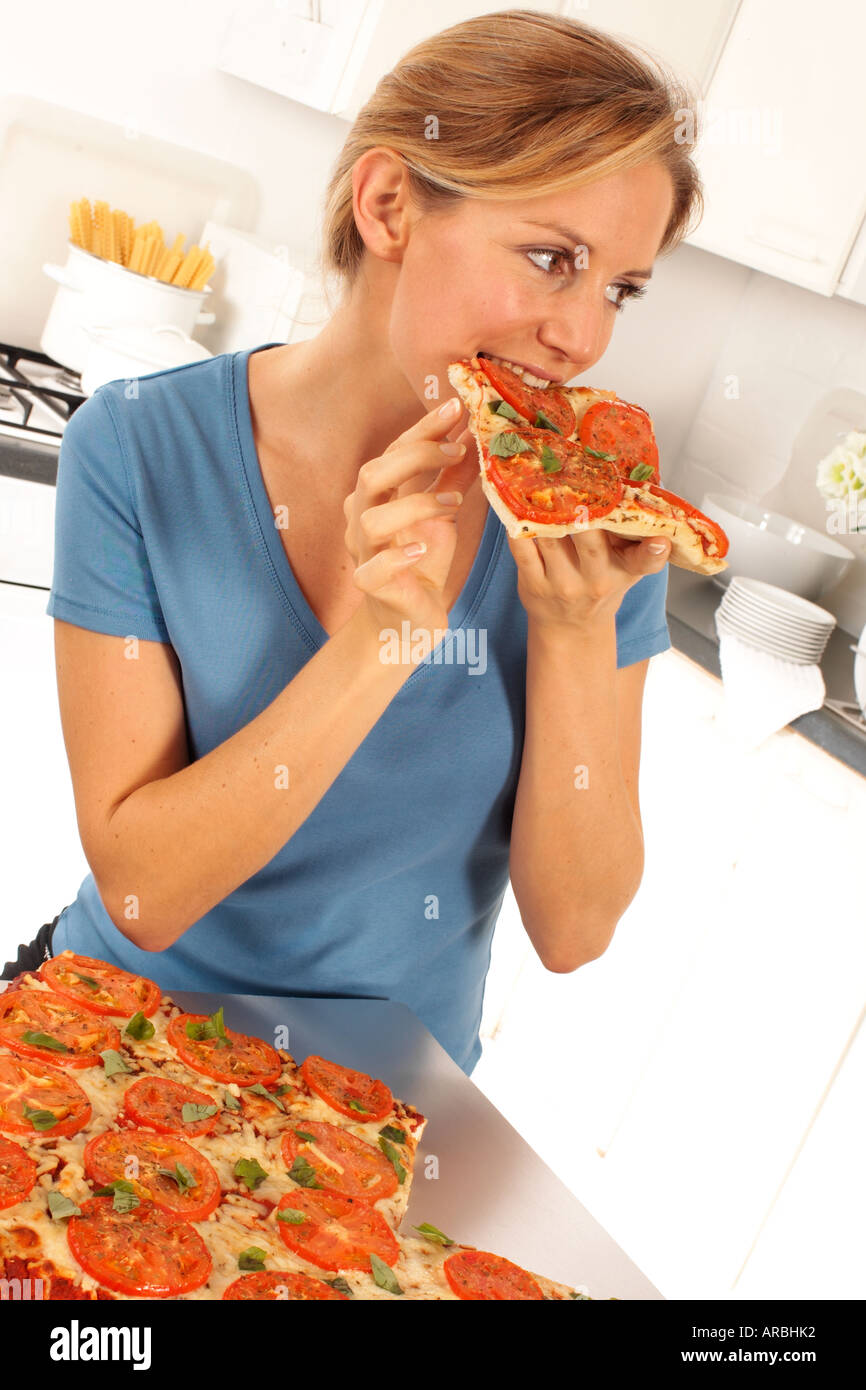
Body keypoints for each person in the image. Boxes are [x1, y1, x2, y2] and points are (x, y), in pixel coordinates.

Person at [3, 10, 701, 1074]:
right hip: (107, 1039)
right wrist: (378, 641)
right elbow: (145, 897)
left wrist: (570, 630)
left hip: (378, 1105)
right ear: (388, 206)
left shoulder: (593, 525)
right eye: (550, 259)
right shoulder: (141, 447)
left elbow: (574, 931)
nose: (583, 335)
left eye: (618, 288)